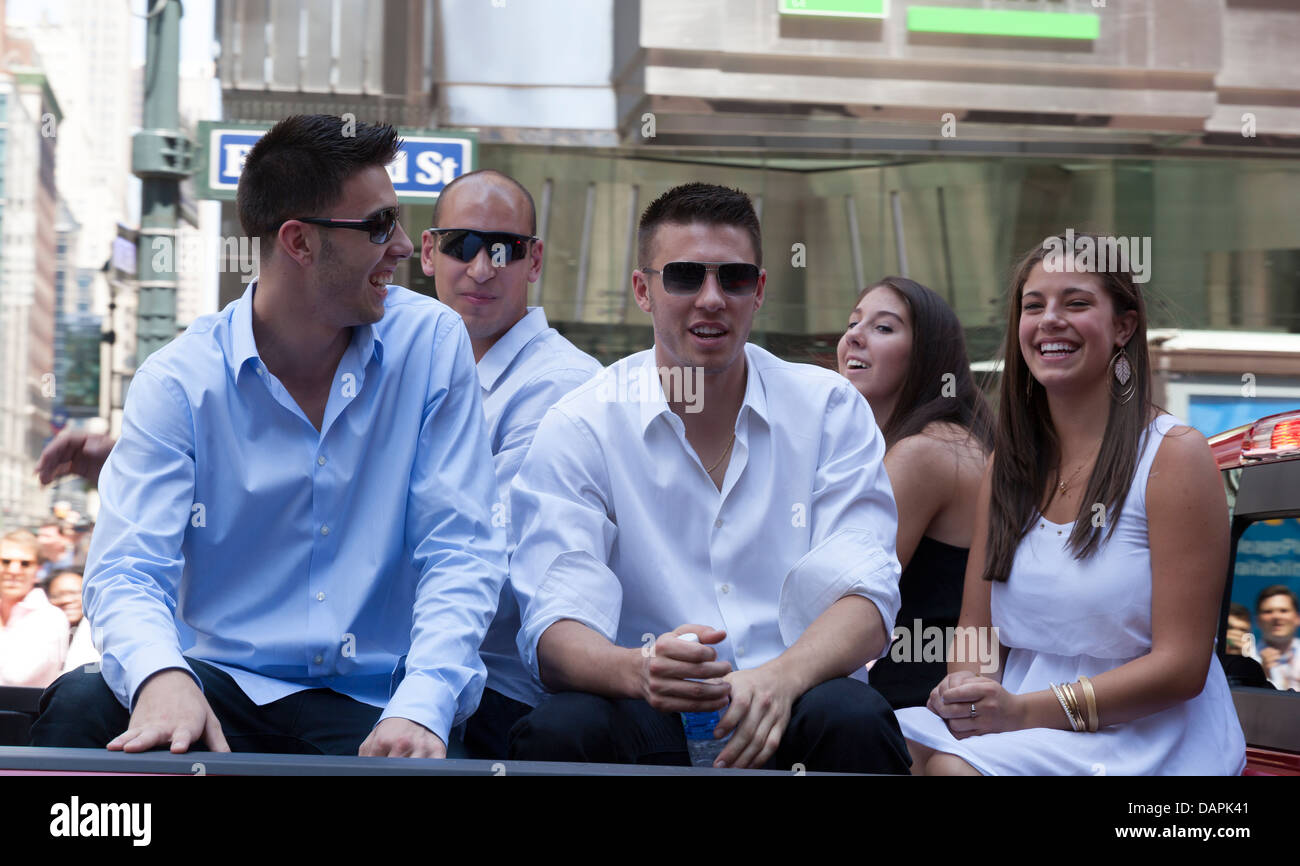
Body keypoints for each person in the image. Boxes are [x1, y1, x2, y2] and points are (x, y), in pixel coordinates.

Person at [30, 114, 507, 758]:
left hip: (376, 700)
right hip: (223, 687)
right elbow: (127, 569)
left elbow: (459, 549)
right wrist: (162, 676)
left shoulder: (431, 343)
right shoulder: (177, 381)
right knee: (82, 705)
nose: (401, 245)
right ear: (299, 243)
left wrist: (424, 706)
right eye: (376, 226)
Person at [506, 182, 909, 772]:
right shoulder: (582, 422)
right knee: (560, 730)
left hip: (791, 697)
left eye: (734, 278)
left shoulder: (827, 408)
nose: (712, 298)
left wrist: (781, 677)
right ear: (643, 290)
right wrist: (638, 670)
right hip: (644, 707)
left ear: (760, 289)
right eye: (686, 277)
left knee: (853, 715)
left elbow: (867, 599)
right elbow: (553, 622)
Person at [896, 231, 1246, 775]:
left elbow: (1181, 668)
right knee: (877, 740)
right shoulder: (1006, 466)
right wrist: (968, 692)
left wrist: (1022, 711)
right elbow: (978, 631)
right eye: (1033, 306)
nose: (1049, 320)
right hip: (1017, 729)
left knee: (950, 770)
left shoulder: (1174, 456)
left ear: (1123, 326)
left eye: (1076, 303)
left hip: (1146, 738)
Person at [419, 169, 601, 758]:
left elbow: (485, 562)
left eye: (504, 249)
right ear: (428, 252)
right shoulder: (410, 361)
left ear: (535, 259)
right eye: (461, 245)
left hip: (495, 689)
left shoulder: (561, 385)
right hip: (409, 666)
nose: (481, 267)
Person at [837, 277, 992, 709]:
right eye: (853, 323)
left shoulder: (923, 453)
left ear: (926, 355)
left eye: (883, 328)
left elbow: (844, 589)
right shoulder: (933, 440)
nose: (854, 336)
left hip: (918, 702)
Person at [0, 531, 69, 687]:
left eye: (25, 563)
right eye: (5, 561)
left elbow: (16, 678)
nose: (14, 570)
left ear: (38, 569)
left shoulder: (50, 618)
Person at [1256, 586, 1300, 691]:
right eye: (1268, 611)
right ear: (1258, 620)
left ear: (1297, 618)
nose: (1276, 616)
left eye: (1283, 610)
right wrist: (1259, 675)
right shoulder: (1247, 657)